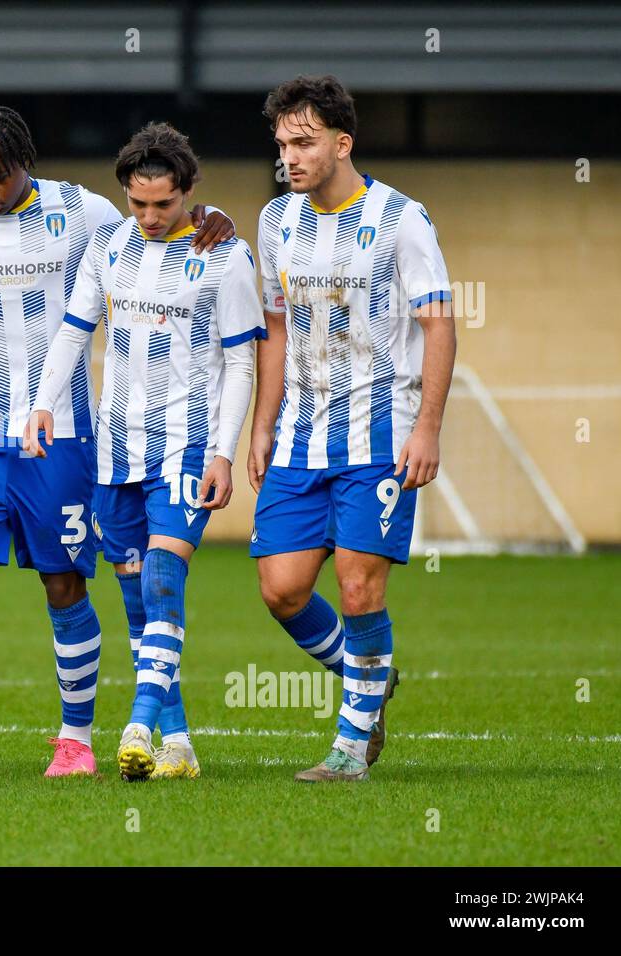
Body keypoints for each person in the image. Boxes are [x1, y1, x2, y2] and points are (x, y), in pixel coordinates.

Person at [0, 105, 235, 777]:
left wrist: (209, 218)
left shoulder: (80, 211)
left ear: (23, 161)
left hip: (63, 436)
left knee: (62, 583)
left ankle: (75, 739)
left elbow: (151, 232)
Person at [25, 122, 264, 780]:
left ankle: (137, 720)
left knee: (164, 579)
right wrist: (42, 403)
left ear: (189, 191)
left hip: (186, 450)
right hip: (115, 452)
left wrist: (222, 452)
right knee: (136, 600)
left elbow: (242, 362)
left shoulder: (226, 255)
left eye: (164, 204)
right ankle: (180, 745)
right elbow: (74, 331)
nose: (152, 216)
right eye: (139, 203)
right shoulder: (107, 245)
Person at [248, 75, 455, 782]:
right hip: (301, 437)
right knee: (281, 589)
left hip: (381, 433)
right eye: (282, 144)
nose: (290, 157)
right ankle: (372, 677)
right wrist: (260, 425)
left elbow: (438, 323)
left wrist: (426, 429)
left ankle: (350, 745)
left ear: (343, 141)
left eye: (303, 142)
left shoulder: (402, 218)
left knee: (358, 585)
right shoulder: (276, 221)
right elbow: (273, 329)